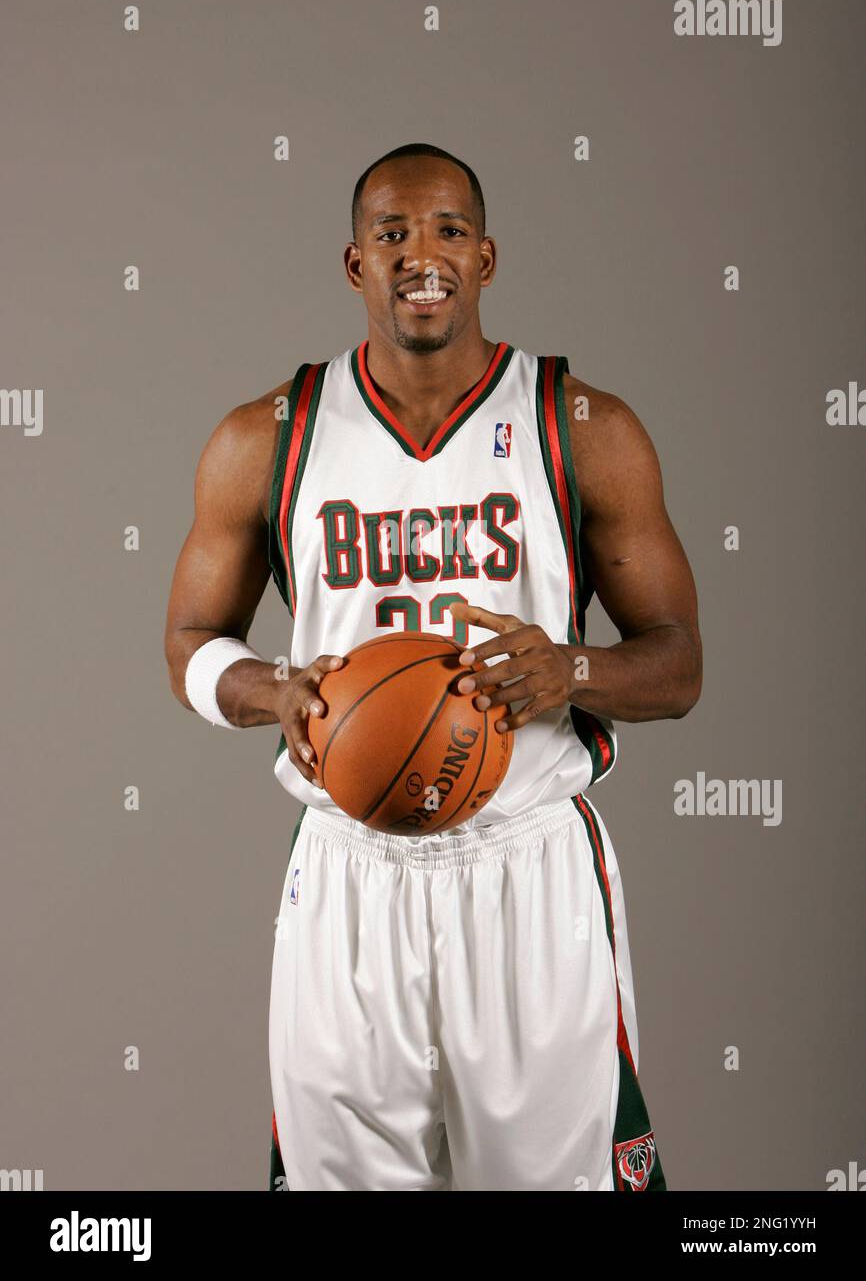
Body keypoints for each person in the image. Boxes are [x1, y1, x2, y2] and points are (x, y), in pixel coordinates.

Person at [164, 142, 702, 1191]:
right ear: (354, 262)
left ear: (486, 257)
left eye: (449, 230)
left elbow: (677, 664)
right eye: (393, 233)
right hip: (349, 872)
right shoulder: (265, 437)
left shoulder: (577, 426)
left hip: (525, 868)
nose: (422, 254)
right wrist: (268, 688)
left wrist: (573, 672)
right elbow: (189, 637)